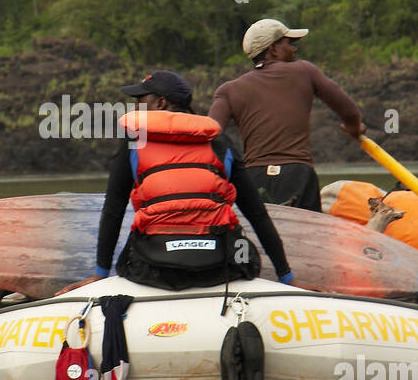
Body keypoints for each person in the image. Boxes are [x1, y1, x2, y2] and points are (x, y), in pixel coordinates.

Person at [96, 69, 294, 291]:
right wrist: (285, 275)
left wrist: (99, 274)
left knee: (131, 251)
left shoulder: (134, 141)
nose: (135, 107)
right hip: (220, 267)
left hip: (154, 269)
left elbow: (114, 210)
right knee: (243, 248)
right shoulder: (218, 141)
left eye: (141, 100)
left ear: (160, 103)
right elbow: (255, 212)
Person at [208, 19, 365, 212]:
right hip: (297, 175)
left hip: (252, 177)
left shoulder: (228, 90)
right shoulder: (305, 71)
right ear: (273, 48)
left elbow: (211, 135)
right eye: (289, 43)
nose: (294, 49)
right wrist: (354, 128)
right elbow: (348, 110)